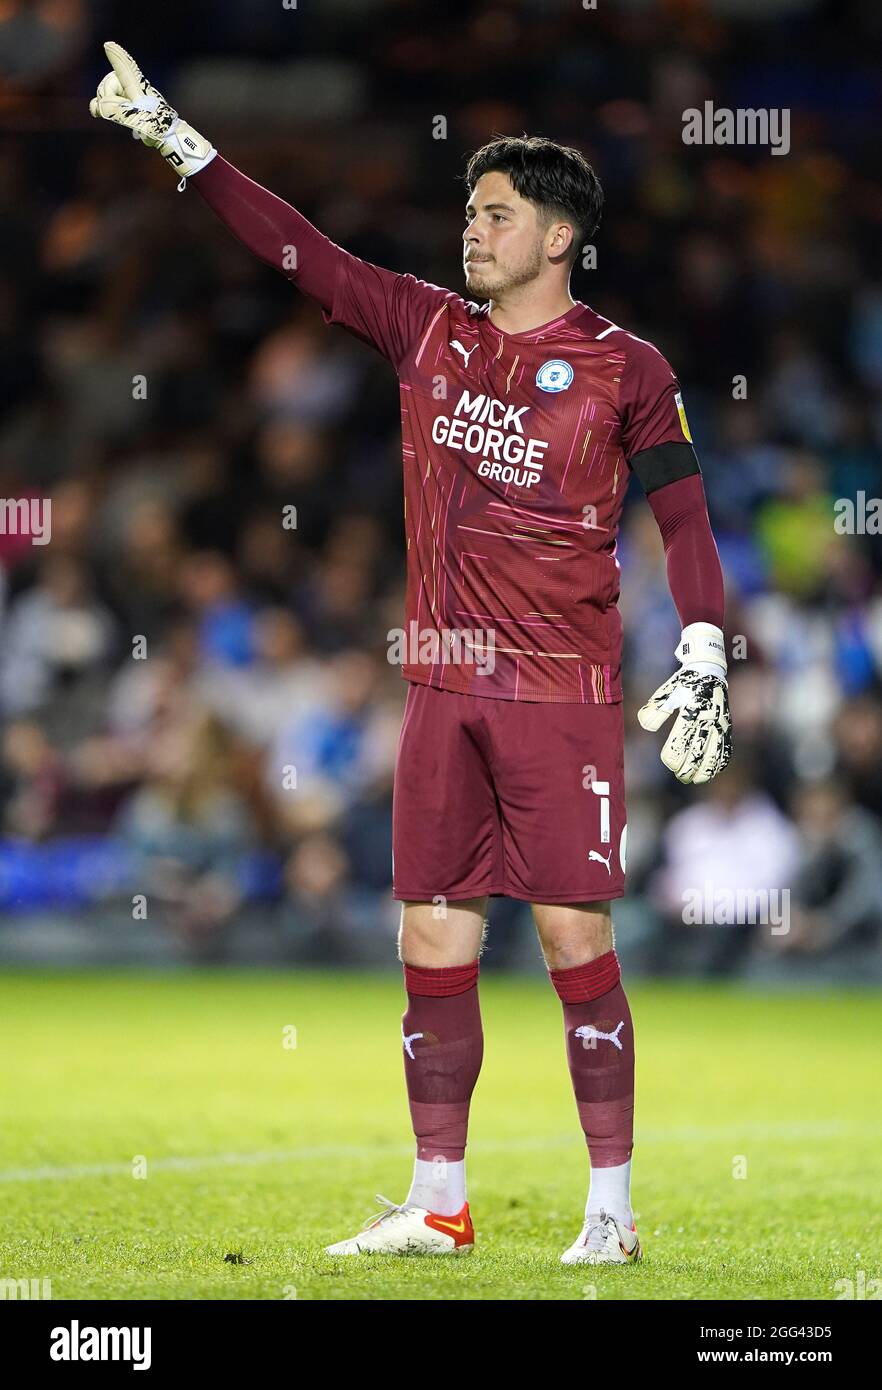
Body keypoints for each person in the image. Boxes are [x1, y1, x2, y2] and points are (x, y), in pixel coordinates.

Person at [90, 43, 732, 1265]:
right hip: (442, 687)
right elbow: (300, 252)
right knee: (431, 941)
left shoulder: (629, 369)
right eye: (470, 209)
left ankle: (613, 1210)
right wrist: (178, 142)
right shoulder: (424, 326)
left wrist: (702, 646)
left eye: (495, 214)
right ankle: (439, 1198)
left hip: (562, 693)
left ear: (558, 238)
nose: (472, 230)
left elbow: (686, 517)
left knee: (573, 943)